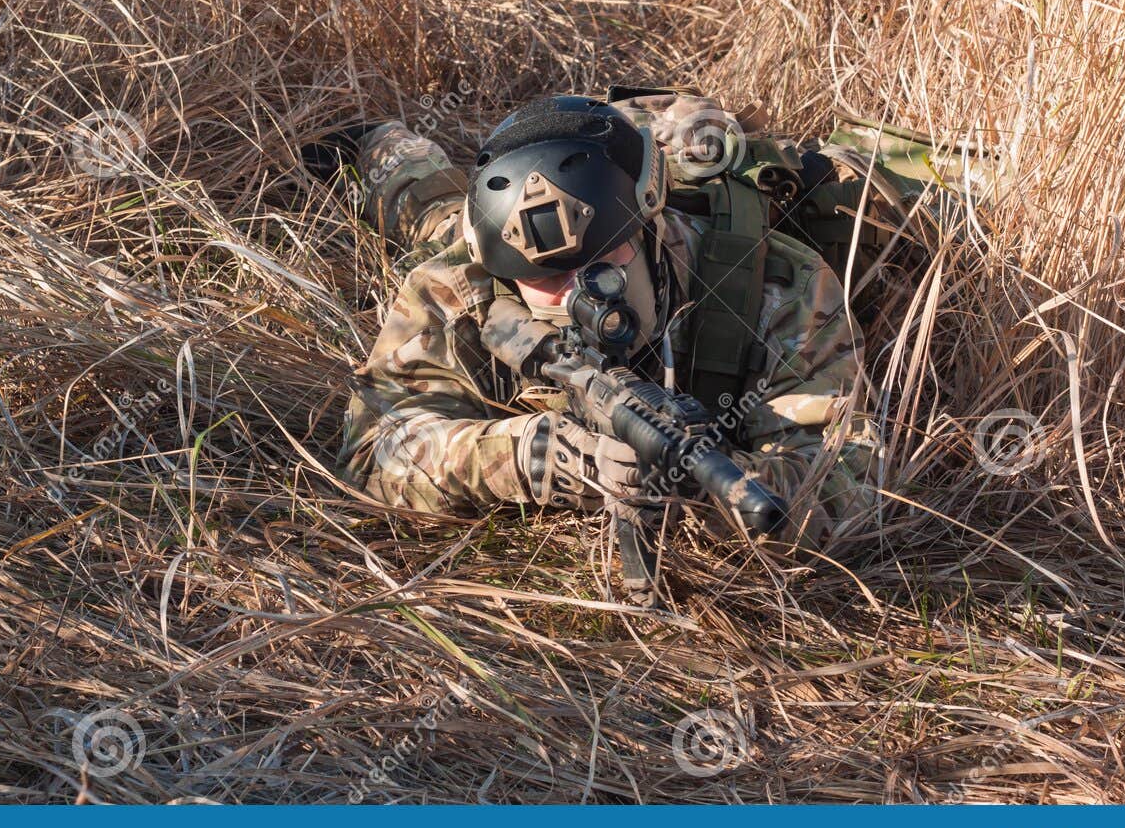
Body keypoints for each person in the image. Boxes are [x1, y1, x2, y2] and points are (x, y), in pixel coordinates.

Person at [336, 91, 889, 582]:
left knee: (869, 197)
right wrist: (530, 457)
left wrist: (697, 488)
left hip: (654, 182)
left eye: (602, 265)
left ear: (650, 228)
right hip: (476, 226)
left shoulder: (779, 284)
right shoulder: (464, 281)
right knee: (430, 209)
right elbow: (371, 453)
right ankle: (377, 140)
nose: (578, 295)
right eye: (547, 280)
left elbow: (847, 481)